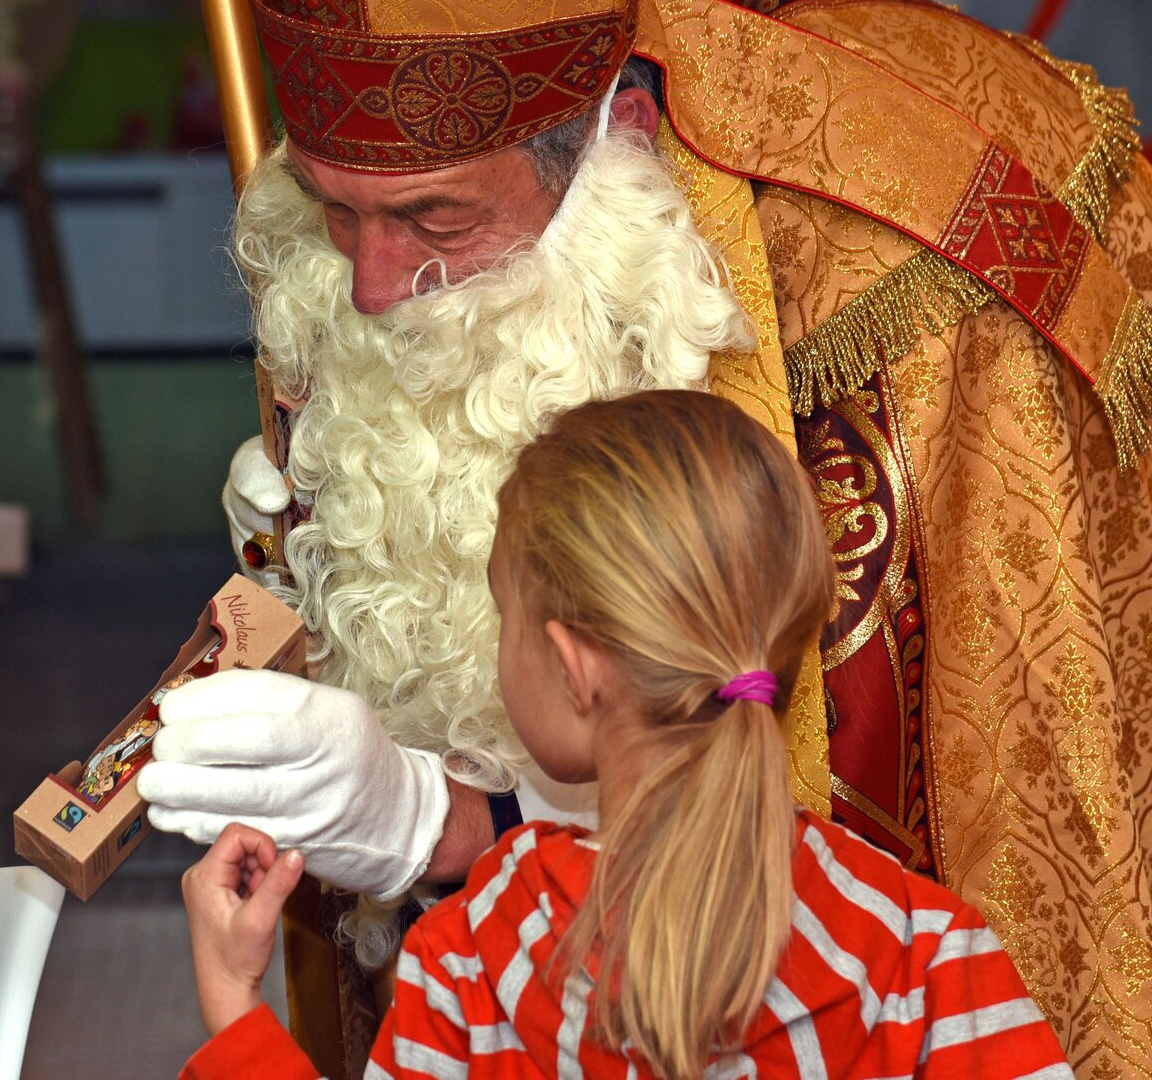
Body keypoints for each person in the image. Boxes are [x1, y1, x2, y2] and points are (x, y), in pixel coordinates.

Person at [138, 0, 1152, 1072]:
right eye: (333, 210)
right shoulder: (922, 970)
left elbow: (946, 778)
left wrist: (428, 850)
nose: (369, 285)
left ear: (603, 129)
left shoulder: (891, 289)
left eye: (430, 217)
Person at [176, 391, 1073, 1080]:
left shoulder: (484, 954)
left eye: (505, 613)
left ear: (574, 667)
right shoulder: (918, 948)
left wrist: (231, 999)